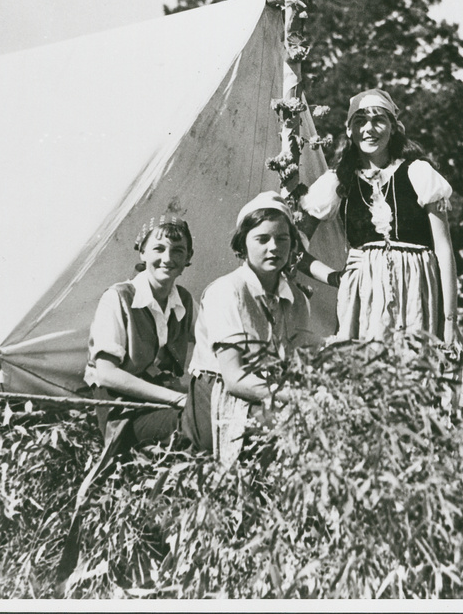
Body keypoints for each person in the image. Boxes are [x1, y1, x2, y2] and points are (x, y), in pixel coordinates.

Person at [299, 88, 458, 344]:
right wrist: (334, 276)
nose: (369, 129)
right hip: (363, 294)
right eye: (360, 121)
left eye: (378, 120)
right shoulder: (338, 181)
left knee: (414, 370)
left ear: (393, 128)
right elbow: (294, 244)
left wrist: (450, 320)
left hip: (417, 290)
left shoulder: (419, 173)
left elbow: (444, 247)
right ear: (349, 130)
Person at [190, 191, 316, 463]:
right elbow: (234, 378)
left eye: (282, 239)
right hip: (219, 398)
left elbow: (297, 362)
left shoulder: (295, 298)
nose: (274, 248)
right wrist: (293, 398)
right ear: (243, 245)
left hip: (266, 393)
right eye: (262, 239)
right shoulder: (227, 291)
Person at [85, 215, 208, 449]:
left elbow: (214, 344)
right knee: (197, 424)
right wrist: (180, 399)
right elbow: (106, 374)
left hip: (163, 402)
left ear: (188, 258)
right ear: (142, 252)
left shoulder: (184, 302)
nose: (167, 259)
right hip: (124, 411)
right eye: (158, 249)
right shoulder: (118, 298)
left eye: (178, 251)